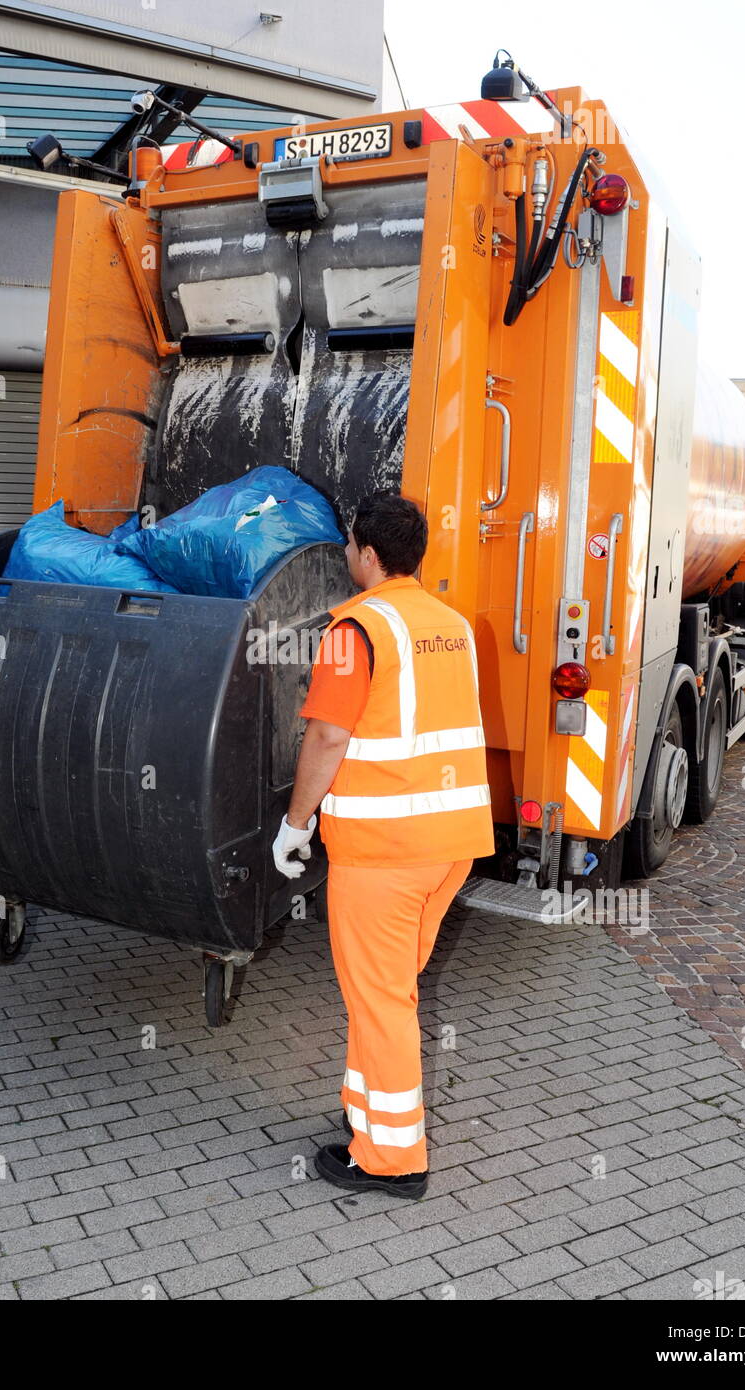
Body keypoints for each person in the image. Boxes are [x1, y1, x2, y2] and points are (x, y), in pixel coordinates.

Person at [272, 492, 494, 1199]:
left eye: (346, 546)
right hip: (449, 846)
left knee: (380, 1003)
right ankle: (368, 1119)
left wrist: (295, 822)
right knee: (388, 993)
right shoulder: (450, 624)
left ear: (366, 553)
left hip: (384, 850)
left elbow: (329, 735)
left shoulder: (355, 630)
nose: (344, 556)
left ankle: (392, 1161)